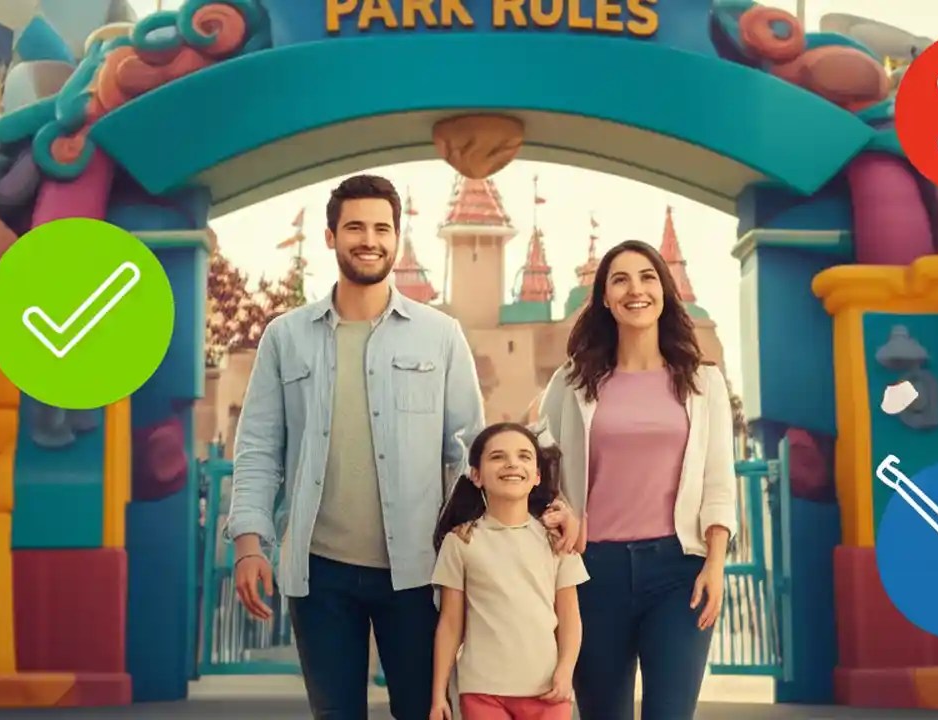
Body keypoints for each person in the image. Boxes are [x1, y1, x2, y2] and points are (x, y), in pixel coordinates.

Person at [226, 174, 555, 719]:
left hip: (420, 570)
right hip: (319, 570)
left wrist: (535, 514)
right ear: (331, 237)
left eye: (382, 227)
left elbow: (471, 452)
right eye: (355, 226)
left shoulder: (440, 334)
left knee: (424, 711)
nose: (369, 239)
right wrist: (248, 541)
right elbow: (259, 446)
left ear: (397, 238)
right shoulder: (286, 337)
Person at [537, 239, 740, 720]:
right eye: (620, 280)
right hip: (591, 572)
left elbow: (718, 481)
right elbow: (539, 472)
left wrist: (715, 564)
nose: (636, 290)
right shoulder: (570, 384)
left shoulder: (702, 383)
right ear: (605, 297)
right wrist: (558, 512)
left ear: (665, 291)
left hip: (678, 572)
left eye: (648, 277)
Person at [429, 423, 587, 720]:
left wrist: (565, 672)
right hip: (482, 691)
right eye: (498, 457)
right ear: (476, 475)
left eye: (525, 456)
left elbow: (570, 618)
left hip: (548, 691)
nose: (512, 463)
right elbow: (450, 623)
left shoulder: (556, 540)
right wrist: (439, 695)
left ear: (537, 475)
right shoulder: (460, 541)